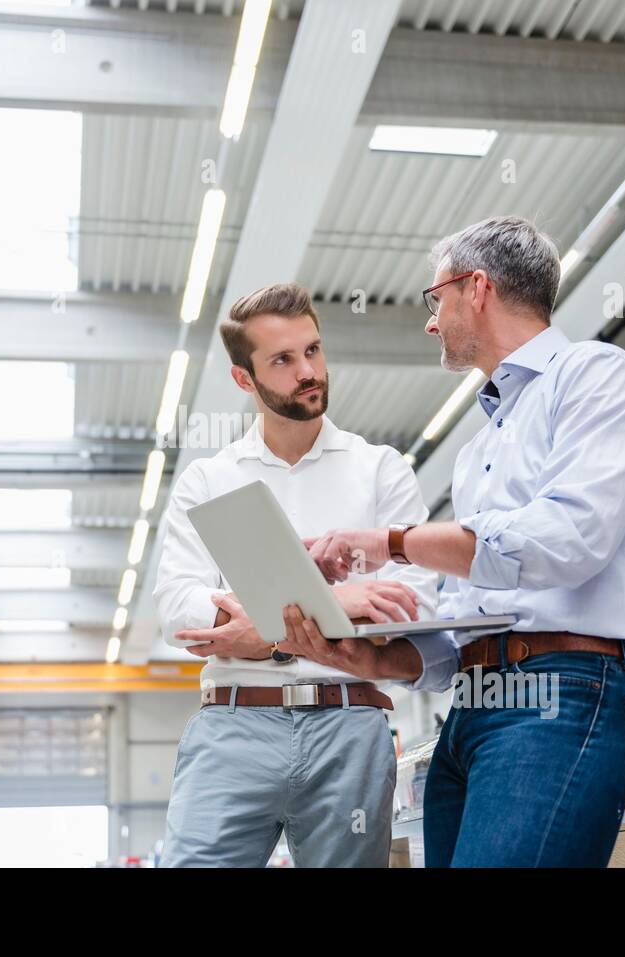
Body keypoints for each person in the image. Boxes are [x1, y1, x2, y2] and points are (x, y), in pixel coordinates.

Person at [283, 216, 625, 867]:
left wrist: (393, 540)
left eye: (434, 298)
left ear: (478, 287)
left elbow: (566, 539)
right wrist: (369, 658)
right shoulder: (480, 449)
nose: (431, 321)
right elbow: (470, 621)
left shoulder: (599, 377)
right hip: (474, 707)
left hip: (570, 688)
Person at [155, 282, 437, 868]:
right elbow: (178, 610)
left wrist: (262, 629)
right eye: (282, 360)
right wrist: (349, 600)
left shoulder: (381, 470)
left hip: (350, 724)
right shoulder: (209, 480)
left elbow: (416, 607)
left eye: (312, 350)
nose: (307, 371)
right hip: (234, 727)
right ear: (244, 379)